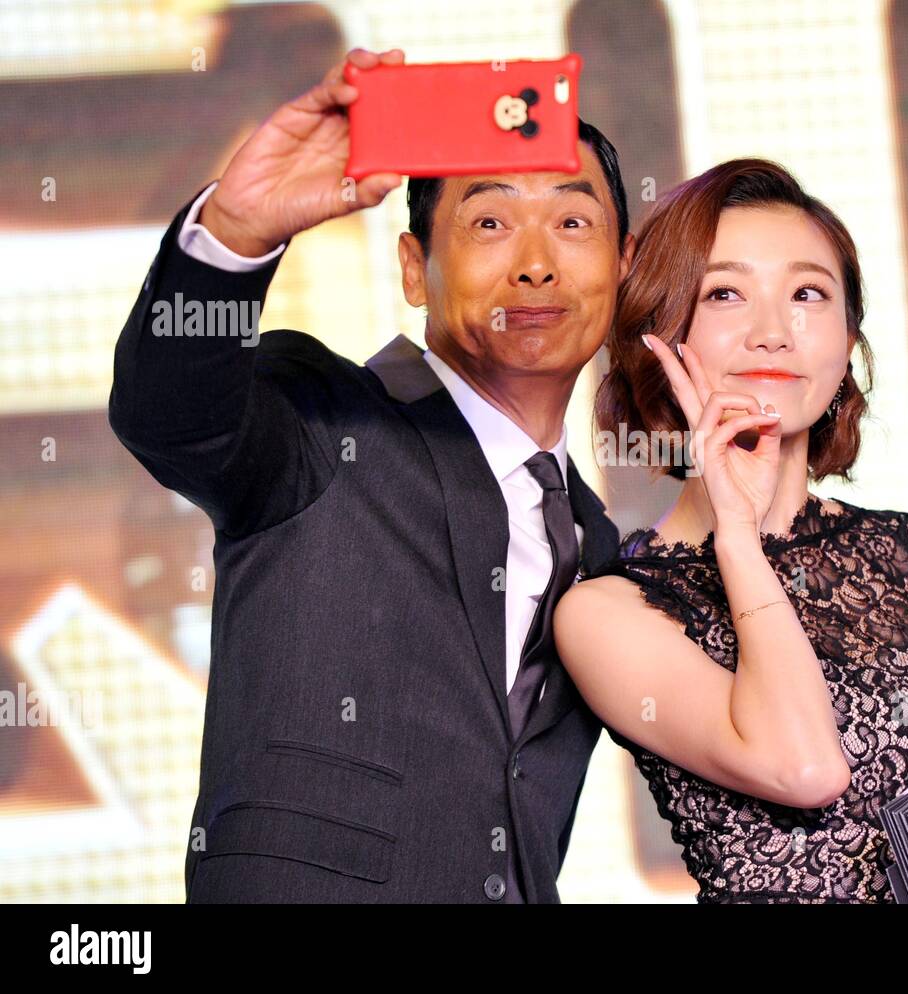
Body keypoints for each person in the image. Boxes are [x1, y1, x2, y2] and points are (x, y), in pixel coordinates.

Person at [109, 47, 634, 902]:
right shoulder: (324, 420)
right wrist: (237, 231)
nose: (536, 263)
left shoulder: (598, 544)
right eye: (490, 223)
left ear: (624, 263)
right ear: (410, 270)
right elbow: (170, 414)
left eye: (574, 224)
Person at [554, 158, 908, 903]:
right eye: (725, 293)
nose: (772, 334)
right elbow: (806, 769)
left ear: (848, 339)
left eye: (807, 295)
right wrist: (738, 535)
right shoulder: (609, 611)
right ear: (662, 333)